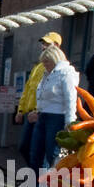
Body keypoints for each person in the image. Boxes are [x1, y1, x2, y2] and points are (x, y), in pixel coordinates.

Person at [29, 43, 79, 171]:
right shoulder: (47, 75)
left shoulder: (66, 73)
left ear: (55, 59)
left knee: (52, 154)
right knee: (36, 153)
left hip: (57, 117)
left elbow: (70, 98)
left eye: (47, 62)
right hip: (43, 116)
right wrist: (37, 111)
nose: (45, 65)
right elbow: (42, 96)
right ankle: (35, 186)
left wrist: (70, 122)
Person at [16, 32, 62, 164]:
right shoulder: (38, 66)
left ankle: (36, 179)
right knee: (26, 148)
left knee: (40, 152)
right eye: (43, 44)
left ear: (56, 45)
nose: (43, 46)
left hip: (41, 115)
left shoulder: (56, 68)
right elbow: (28, 89)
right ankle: (34, 176)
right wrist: (20, 111)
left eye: (47, 44)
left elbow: (50, 93)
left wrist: (38, 111)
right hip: (31, 114)